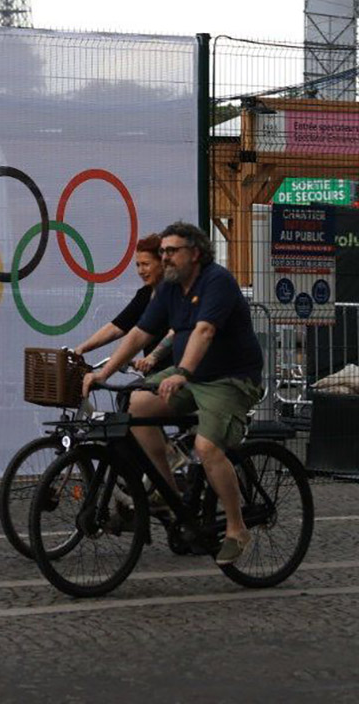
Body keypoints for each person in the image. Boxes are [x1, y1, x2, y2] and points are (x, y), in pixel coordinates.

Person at [81, 220, 265, 565]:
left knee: (206, 448)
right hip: (189, 375)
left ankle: (237, 529)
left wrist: (182, 371)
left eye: (171, 251)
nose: (164, 258)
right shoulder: (169, 287)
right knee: (136, 404)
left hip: (229, 378)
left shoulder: (217, 282)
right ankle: (168, 493)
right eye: (162, 251)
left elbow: (205, 331)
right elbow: (137, 333)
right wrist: (101, 372)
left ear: (195, 253)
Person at [70, 233, 166, 371]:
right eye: (138, 265)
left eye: (146, 264)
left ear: (163, 263)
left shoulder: (175, 295)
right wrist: (81, 349)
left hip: (173, 374)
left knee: (136, 394)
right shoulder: (145, 294)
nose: (140, 271)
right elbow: (116, 327)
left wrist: (152, 358)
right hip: (153, 373)